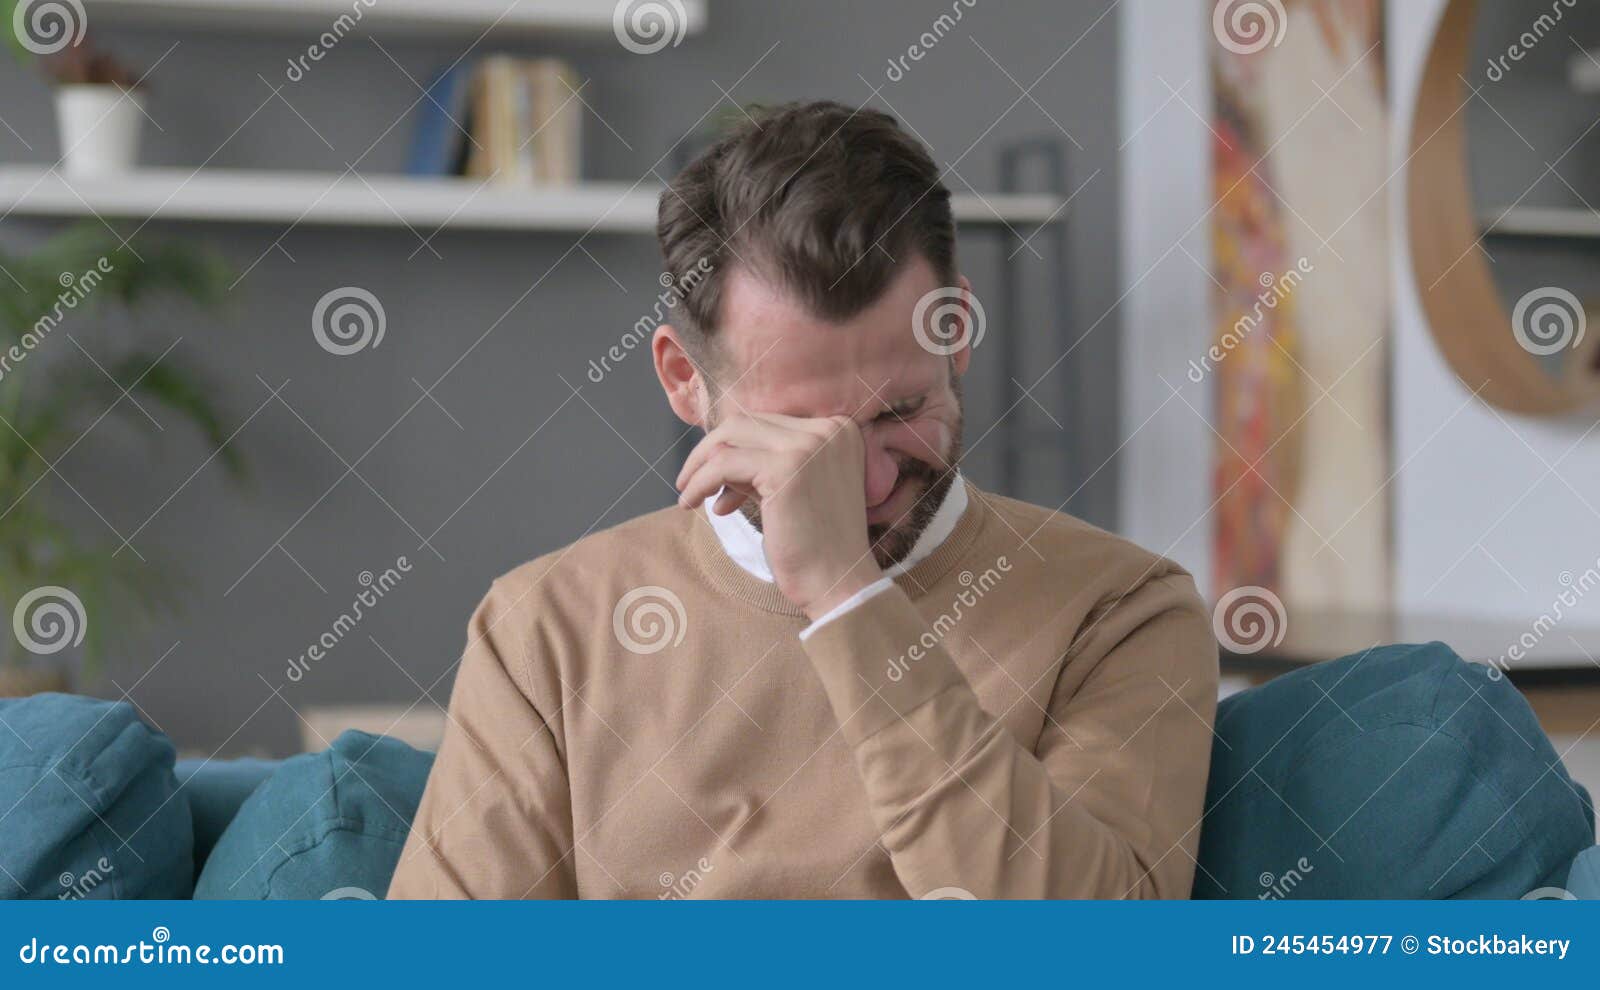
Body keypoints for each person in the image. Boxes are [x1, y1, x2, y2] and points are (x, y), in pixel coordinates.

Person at [388, 100, 1218, 899]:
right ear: (685, 380)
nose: (867, 485)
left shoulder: (1121, 612)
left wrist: (847, 597)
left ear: (955, 331)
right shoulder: (544, 629)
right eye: (797, 435)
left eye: (899, 414)